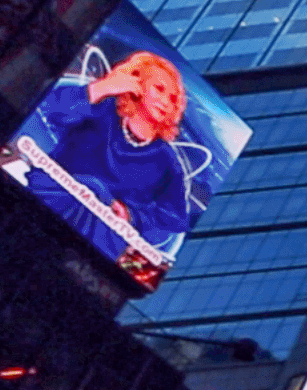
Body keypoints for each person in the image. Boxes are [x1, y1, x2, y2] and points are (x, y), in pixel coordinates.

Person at [15, 50, 193, 268]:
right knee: (93, 188)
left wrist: (132, 215)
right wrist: (103, 88)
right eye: (159, 88)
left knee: (99, 202)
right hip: (50, 197)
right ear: (136, 82)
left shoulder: (167, 162)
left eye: (173, 99)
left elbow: (174, 219)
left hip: (102, 235)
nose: (166, 101)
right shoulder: (101, 108)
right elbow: (49, 111)